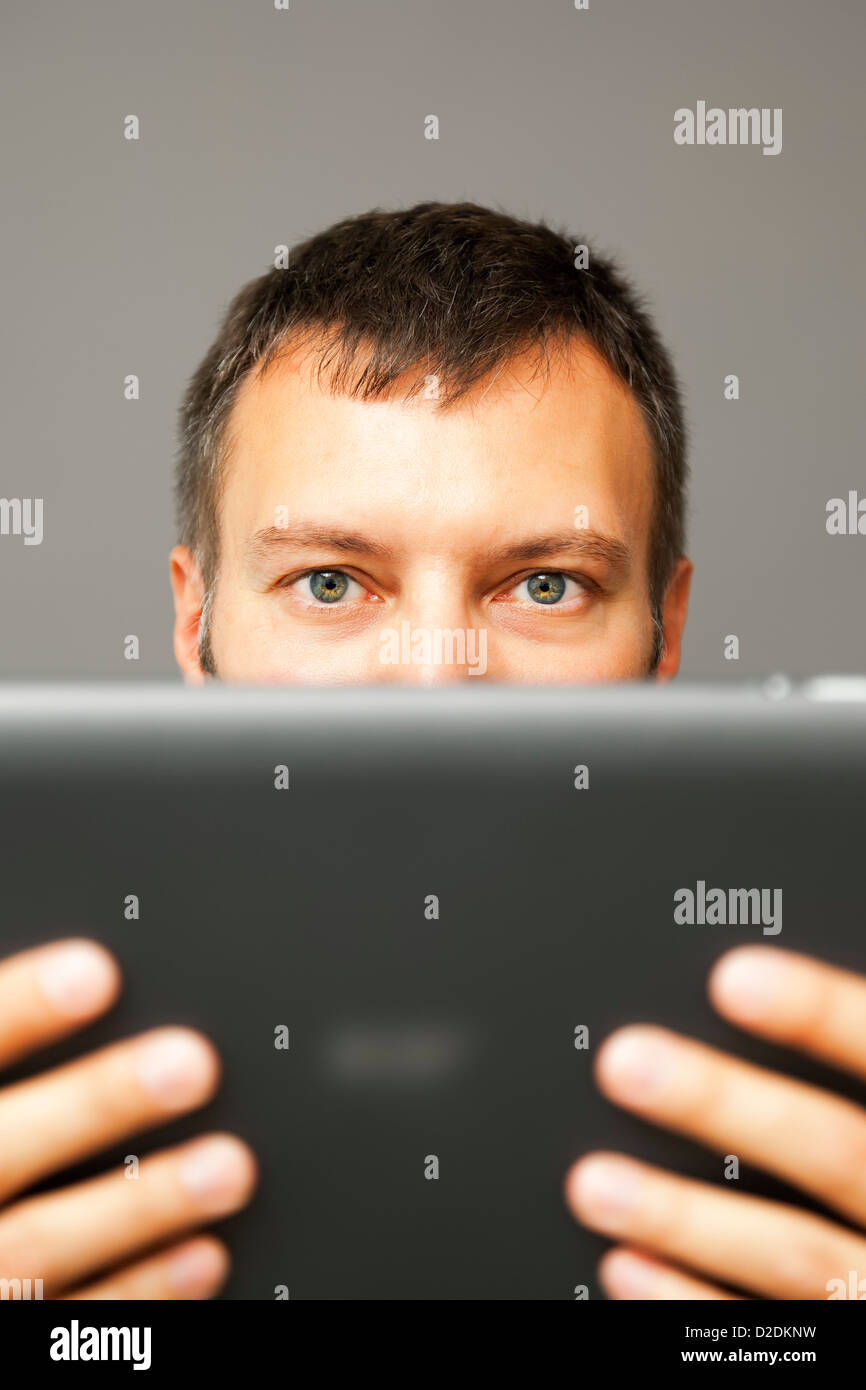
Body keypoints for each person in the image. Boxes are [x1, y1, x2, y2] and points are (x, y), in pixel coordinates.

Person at [1, 204, 862, 1301]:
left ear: (664, 632)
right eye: (328, 582)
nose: (434, 674)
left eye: (545, 584)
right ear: (192, 622)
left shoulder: (825, 1120)